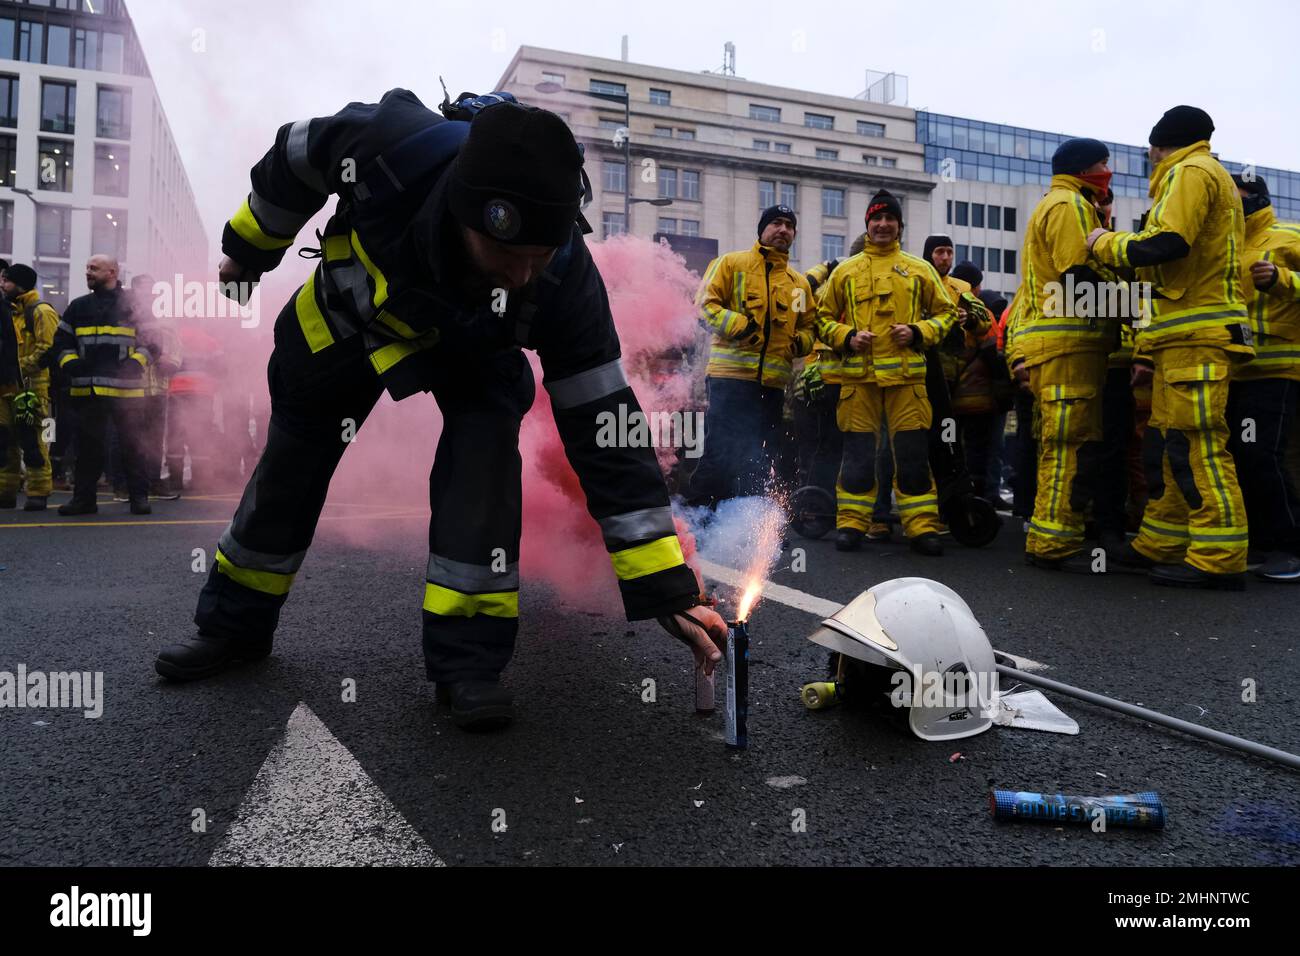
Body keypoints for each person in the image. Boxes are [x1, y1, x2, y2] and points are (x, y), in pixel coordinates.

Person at [152, 90, 728, 731]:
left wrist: (667, 590)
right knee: (290, 471)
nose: (522, 275)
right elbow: (295, 155)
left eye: (539, 256)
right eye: (507, 253)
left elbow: (604, 428)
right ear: (463, 210)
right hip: (343, 329)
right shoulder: (389, 146)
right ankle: (233, 628)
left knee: (481, 477)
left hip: (473, 353)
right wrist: (248, 252)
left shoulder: (565, 276)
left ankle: (468, 667)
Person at [1089, 106, 1253, 589]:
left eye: (1150, 146)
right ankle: (1161, 541)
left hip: (1197, 339)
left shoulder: (1190, 171)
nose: (1146, 155)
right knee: (1168, 443)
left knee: (1197, 445)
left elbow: (1169, 243)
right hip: (1179, 339)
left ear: (1161, 144)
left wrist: (1104, 243)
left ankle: (1219, 557)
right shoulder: (1200, 174)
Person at [814, 190, 957, 555]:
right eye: (876, 219)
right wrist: (846, 337)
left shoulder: (919, 269)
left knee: (911, 455)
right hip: (858, 382)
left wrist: (919, 332)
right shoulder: (845, 271)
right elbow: (821, 319)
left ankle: (922, 527)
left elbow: (947, 315)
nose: (882, 224)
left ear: (899, 226)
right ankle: (851, 525)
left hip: (908, 383)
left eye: (889, 219)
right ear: (867, 225)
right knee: (858, 456)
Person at [1012, 137, 1121, 573]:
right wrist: (1135, 305)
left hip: (1066, 347)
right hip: (1067, 346)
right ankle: (1052, 541)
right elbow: (1077, 276)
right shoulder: (1068, 205)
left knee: (1064, 442)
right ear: (1081, 168)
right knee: (1068, 444)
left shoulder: (1064, 202)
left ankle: (1054, 534)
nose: (1106, 171)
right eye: (1101, 164)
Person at [688, 205, 824, 505]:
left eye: (790, 225)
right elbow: (704, 306)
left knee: (761, 458)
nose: (783, 229)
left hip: (773, 386)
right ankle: (699, 524)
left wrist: (796, 343)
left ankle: (745, 525)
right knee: (720, 453)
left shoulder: (799, 284)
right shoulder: (730, 263)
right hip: (729, 380)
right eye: (776, 222)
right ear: (762, 229)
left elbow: (809, 329)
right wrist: (739, 326)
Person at [1226, 174, 1300, 582]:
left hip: (1278, 369)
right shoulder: (1227, 242)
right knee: (1241, 455)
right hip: (1236, 370)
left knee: (1262, 455)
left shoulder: (1289, 234)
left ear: (1256, 198)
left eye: (1237, 198)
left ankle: (1288, 546)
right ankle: (1263, 540)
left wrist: (1281, 279)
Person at [50, 255, 155, 516]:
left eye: (94, 269)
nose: (88, 272)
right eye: (87, 268)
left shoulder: (134, 306)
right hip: (87, 390)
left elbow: (153, 343)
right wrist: (70, 363)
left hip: (126, 390)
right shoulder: (78, 307)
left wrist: (135, 363)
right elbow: (62, 343)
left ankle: (139, 498)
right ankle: (84, 500)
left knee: (133, 446)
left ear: (112, 272)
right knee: (86, 449)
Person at [0, 264, 59, 510]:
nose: (2, 285)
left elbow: (48, 349)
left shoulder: (41, 312)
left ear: (21, 284)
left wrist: (16, 366)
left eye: (6, 281)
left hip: (32, 389)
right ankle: (5, 492)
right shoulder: (8, 312)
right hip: (6, 388)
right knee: (4, 440)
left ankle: (38, 492)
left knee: (33, 442)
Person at [132, 274, 183, 498]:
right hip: (134, 386)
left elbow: (176, 348)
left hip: (159, 387)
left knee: (155, 438)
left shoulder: (165, 319)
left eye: (152, 290)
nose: (149, 294)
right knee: (130, 437)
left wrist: (171, 363)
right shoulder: (125, 316)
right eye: (144, 289)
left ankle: (154, 481)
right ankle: (125, 483)